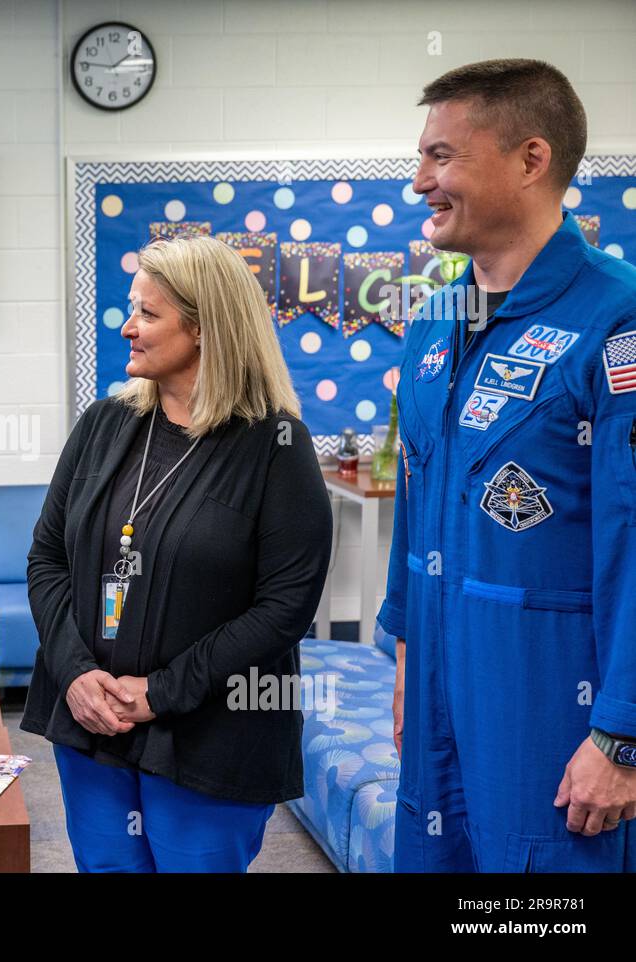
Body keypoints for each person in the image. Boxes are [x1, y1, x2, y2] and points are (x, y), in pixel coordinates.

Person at [380, 59, 636, 872]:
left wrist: (623, 734)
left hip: (557, 711)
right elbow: (417, 513)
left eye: (442, 157)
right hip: (439, 700)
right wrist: (406, 662)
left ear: (532, 160)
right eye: (421, 157)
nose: (421, 180)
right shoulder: (431, 322)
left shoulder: (616, 318)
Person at [21, 236, 332, 872]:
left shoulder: (276, 444)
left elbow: (285, 608)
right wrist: (76, 673)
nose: (128, 327)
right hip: (91, 721)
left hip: (210, 734)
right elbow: (47, 559)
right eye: (131, 308)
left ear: (204, 326)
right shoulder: (103, 426)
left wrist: (161, 692)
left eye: (148, 314)